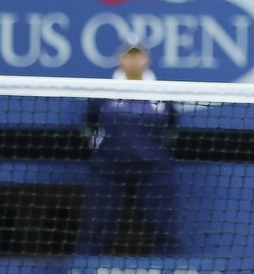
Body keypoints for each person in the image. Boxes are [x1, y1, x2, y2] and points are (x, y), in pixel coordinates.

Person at [77, 40, 180, 257]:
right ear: (120, 59)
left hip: (154, 171)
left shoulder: (163, 92)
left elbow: (171, 128)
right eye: (128, 55)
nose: (133, 60)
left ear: (146, 59)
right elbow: (89, 125)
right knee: (95, 227)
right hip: (107, 171)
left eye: (138, 55)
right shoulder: (103, 92)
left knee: (163, 229)